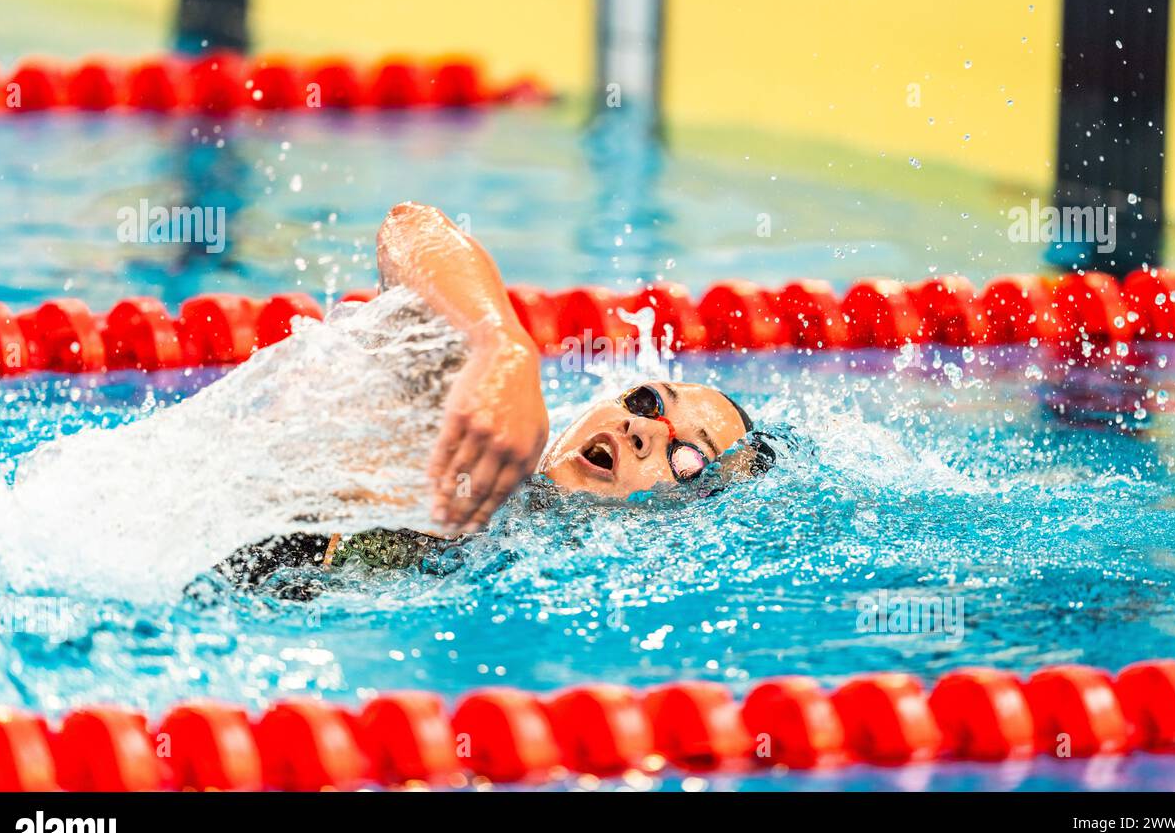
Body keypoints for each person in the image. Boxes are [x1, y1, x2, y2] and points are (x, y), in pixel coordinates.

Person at [202, 203, 769, 600]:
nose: (641, 431)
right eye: (645, 402)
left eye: (687, 458)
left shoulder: (577, 582)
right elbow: (411, 227)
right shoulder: (482, 429)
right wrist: (501, 346)